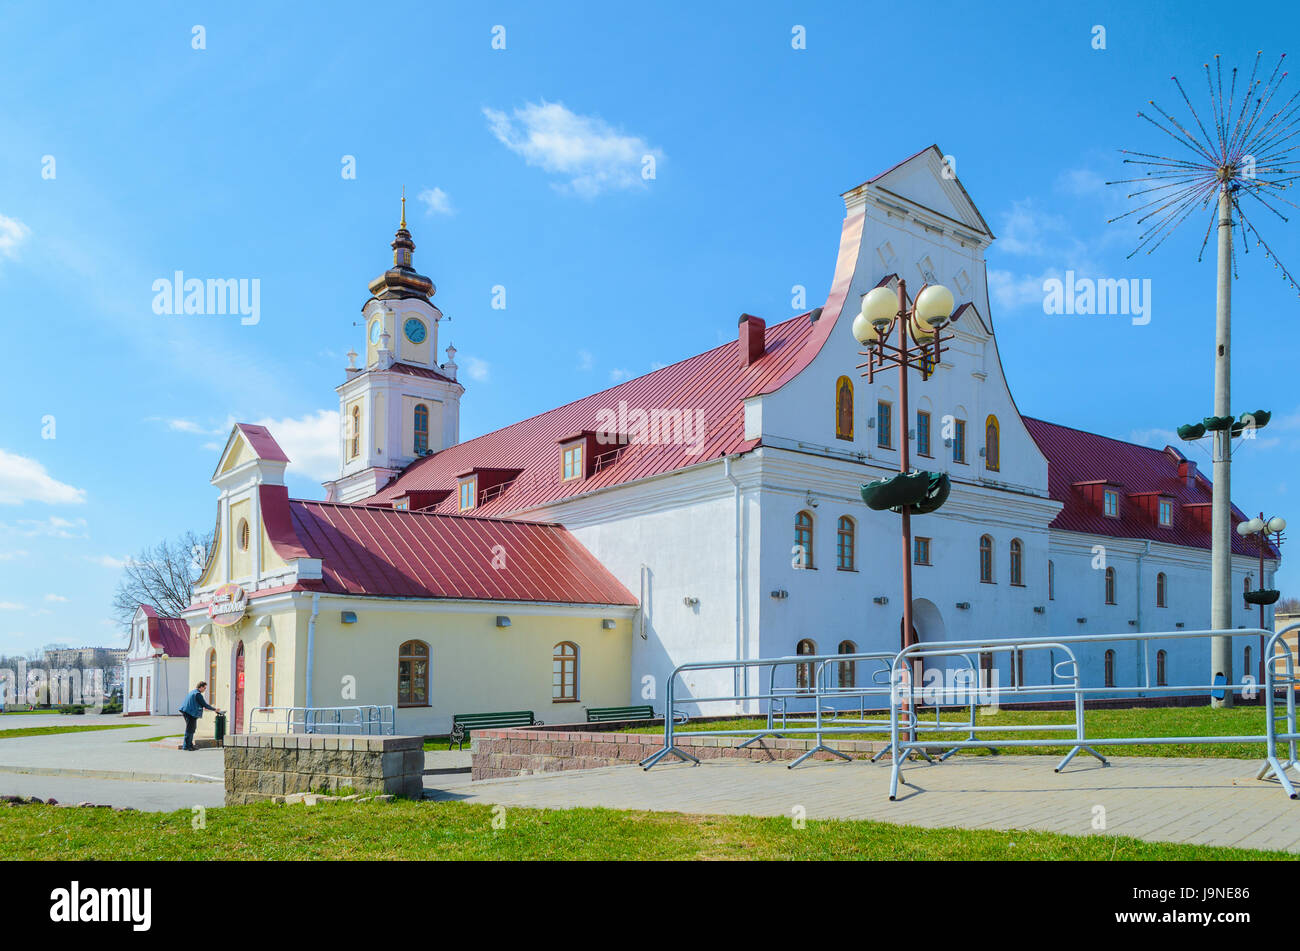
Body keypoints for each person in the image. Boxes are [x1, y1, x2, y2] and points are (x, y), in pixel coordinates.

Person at [179, 682, 222, 751]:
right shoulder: (198, 694)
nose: (205, 690)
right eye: (204, 688)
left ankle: (189, 745)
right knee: (190, 729)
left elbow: (198, 704)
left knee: (191, 728)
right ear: (201, 687)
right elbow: (205, 704)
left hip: (187, 711)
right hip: (190, 713)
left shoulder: (193, 692)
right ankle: (186, 746)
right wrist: (215, 709)